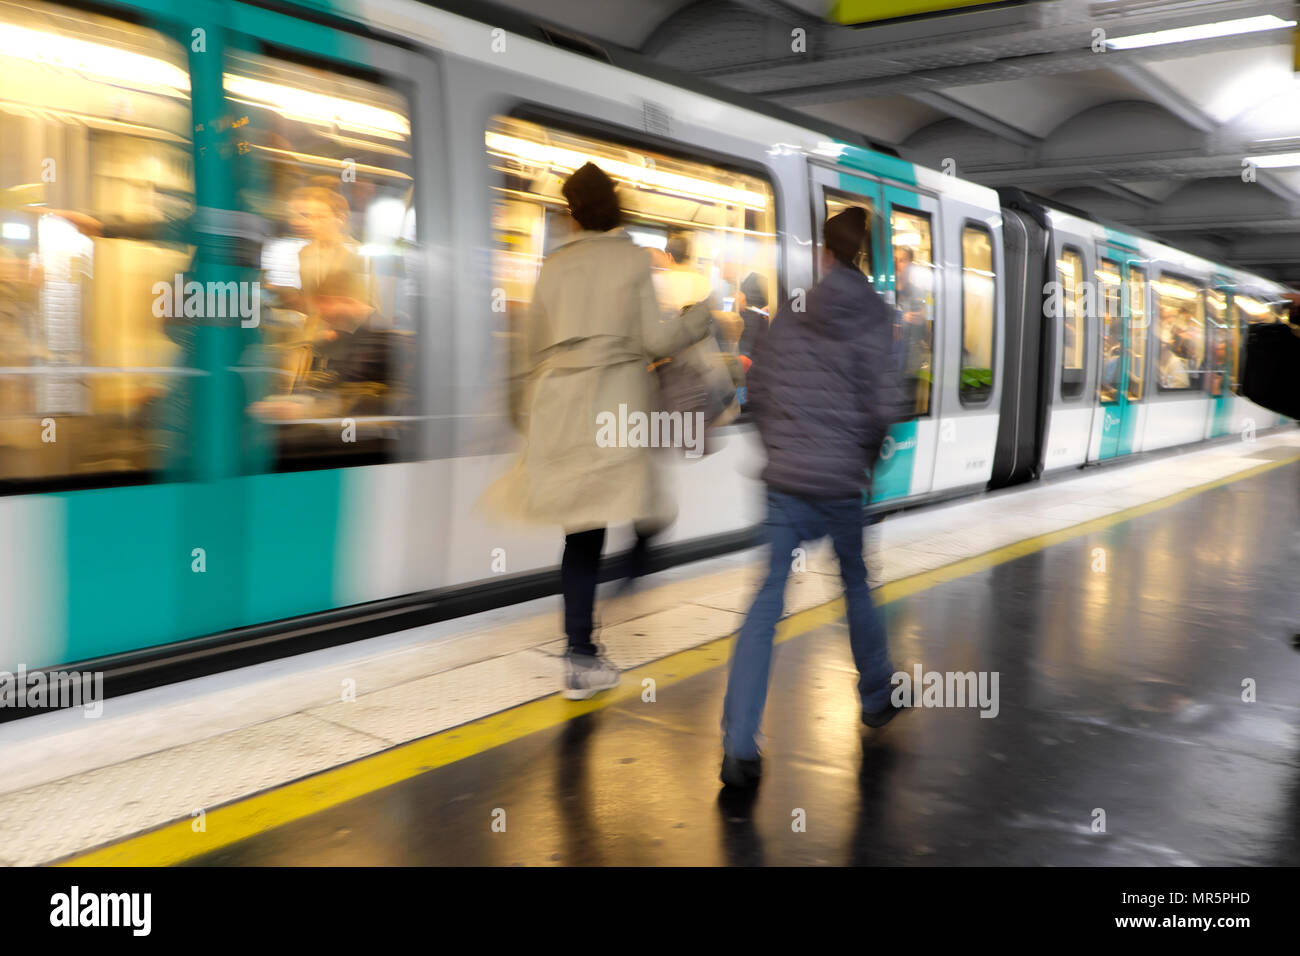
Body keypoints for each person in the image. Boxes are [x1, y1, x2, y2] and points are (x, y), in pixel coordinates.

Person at [483, 162, 709, 699]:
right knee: (644, 503)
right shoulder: (630, 259)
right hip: (615, 401)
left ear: (572, 212)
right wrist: (699, 321)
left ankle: (580, 654)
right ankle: (628, 579)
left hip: (559, 404)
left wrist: (521, 410)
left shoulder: (554, 265)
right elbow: (655, 341)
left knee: (581, 532)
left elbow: (529, 344)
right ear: (615, 205)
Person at [719, 206, 906, 789]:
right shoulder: (878, 315)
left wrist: (783, 447)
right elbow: (883, 409)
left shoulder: (795, 310)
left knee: (766, 602)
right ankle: (876, 694)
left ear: (823, 253)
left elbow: (761, 389)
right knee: (855, 583)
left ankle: (738, 745)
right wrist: (862, 458)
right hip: (841, 483)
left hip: (787, 482)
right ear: (864, 256)